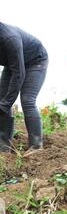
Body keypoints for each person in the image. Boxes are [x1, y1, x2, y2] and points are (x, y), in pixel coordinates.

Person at [0, 23, 48, 154]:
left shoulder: (10, 39)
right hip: (13, 64)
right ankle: (4, 147)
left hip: (35, 62)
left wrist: (5, 105)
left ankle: (36, 146)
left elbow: (19, 75)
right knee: (2, 98)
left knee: (27, 100)